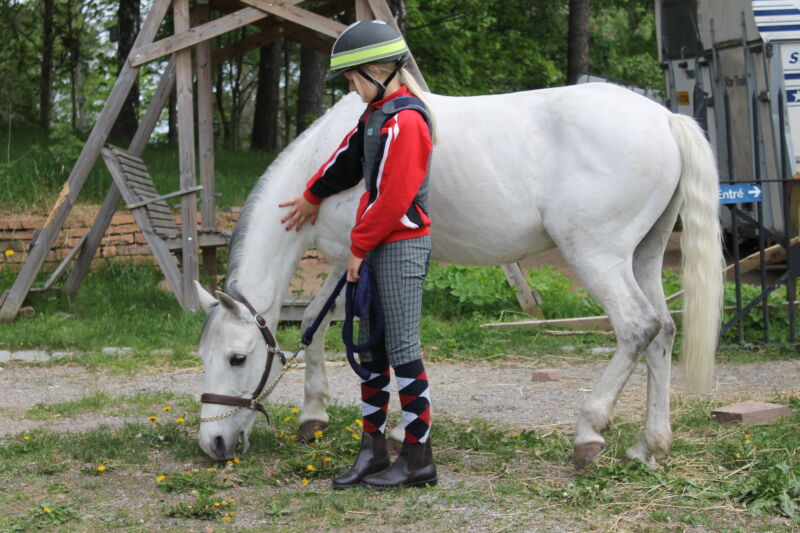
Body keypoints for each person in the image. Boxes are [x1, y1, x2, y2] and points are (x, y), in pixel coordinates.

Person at [279, 20, 436, 489]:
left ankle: (418, 455)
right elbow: (349, 159)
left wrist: (358, 246)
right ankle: (372, 449)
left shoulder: (407, 120)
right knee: (370, 350)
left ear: (378, 72)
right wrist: (311, 192)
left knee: (403, 350)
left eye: (352, 78)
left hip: (401, 246)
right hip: (378, 244)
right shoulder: (375, 116)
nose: (349, 87)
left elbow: (394, 197)